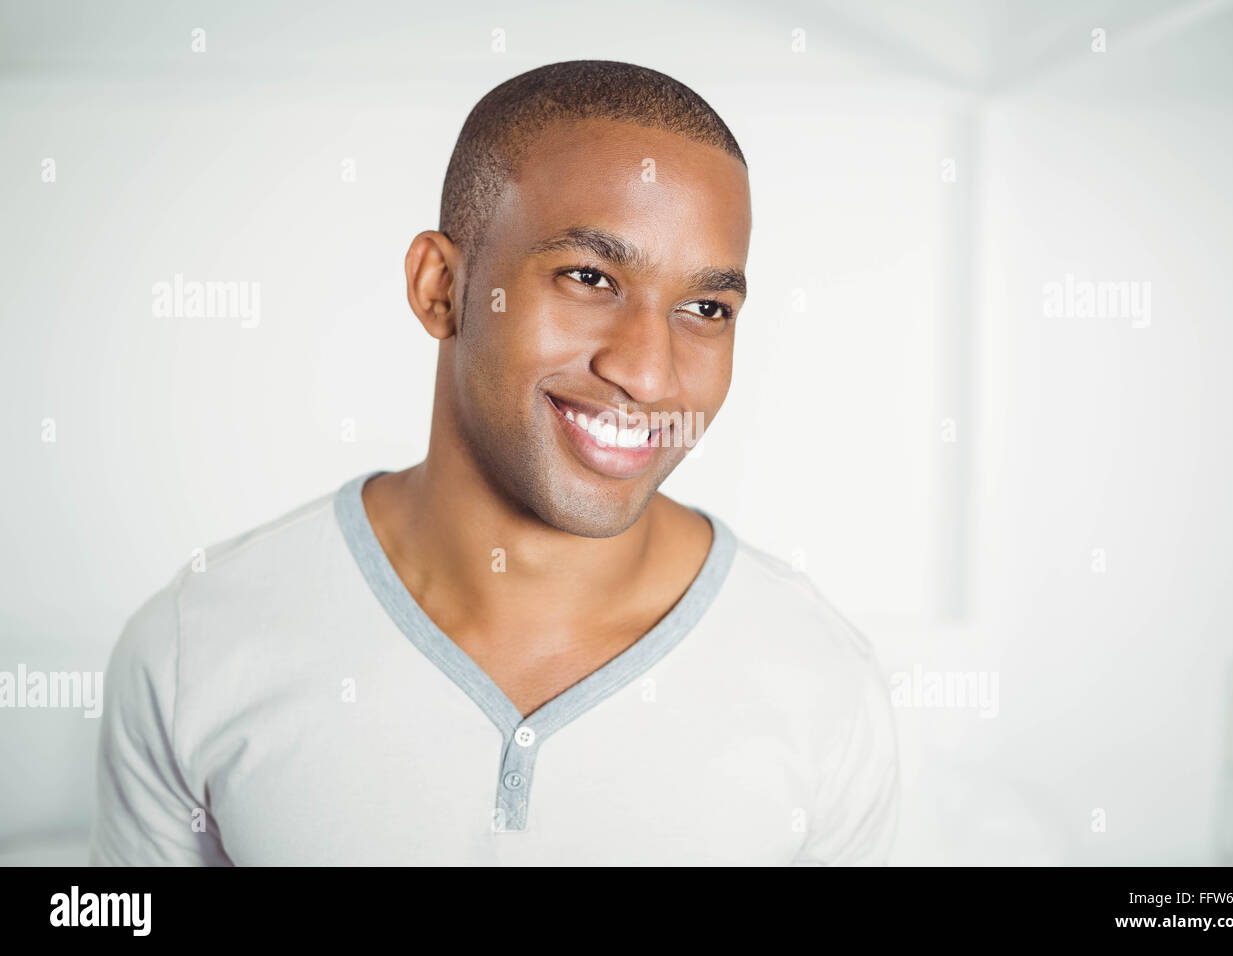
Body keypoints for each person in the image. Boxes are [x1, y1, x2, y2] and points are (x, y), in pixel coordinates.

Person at [90, 59, 899, 865]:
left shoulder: (822, 686)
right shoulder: (194, 648)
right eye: (589, 277)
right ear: (441, 286)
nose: (648, 373)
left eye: (705, 309)